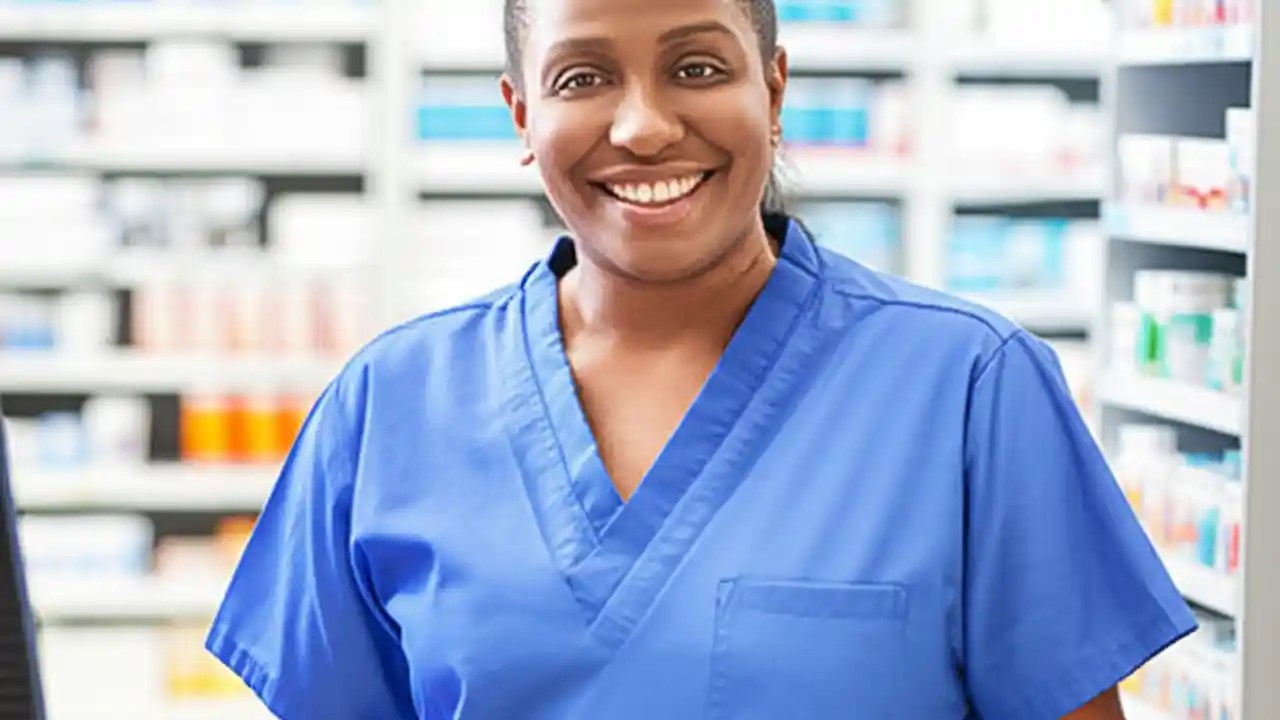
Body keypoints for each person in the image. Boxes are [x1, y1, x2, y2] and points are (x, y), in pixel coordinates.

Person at [205, 0, 1197, 717]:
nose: (642, 126)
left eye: (695, 67)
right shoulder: (388, 406)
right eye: (582, 77)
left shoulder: (968, 388)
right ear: (520, 114)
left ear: (771, 88)